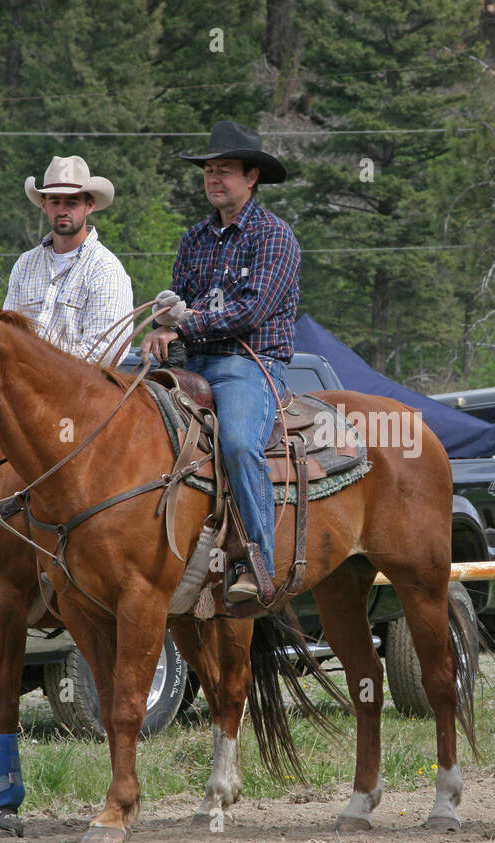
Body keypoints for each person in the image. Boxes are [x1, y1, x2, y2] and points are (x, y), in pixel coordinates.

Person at [142, 122, 300, 603]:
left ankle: (257, 562)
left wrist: (184, 323)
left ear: (251, 177)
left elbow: (251, 311)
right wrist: (165, 323)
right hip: (195, 362)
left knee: (236, 442)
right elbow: (183, 307)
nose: (214, 179)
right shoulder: (195, 238)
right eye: (209, 171)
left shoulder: (274, 236)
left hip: (249, 365)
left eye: (225, 171)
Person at [4, 155, 133, 365]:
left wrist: (37, 363)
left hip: (80, 390)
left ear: (89, 205)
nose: (63, 210)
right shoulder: (25, 264)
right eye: (55, 201)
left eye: (72, 202)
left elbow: (105, 352)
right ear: (44, 205)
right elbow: (8, 332)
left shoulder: (106, 269)